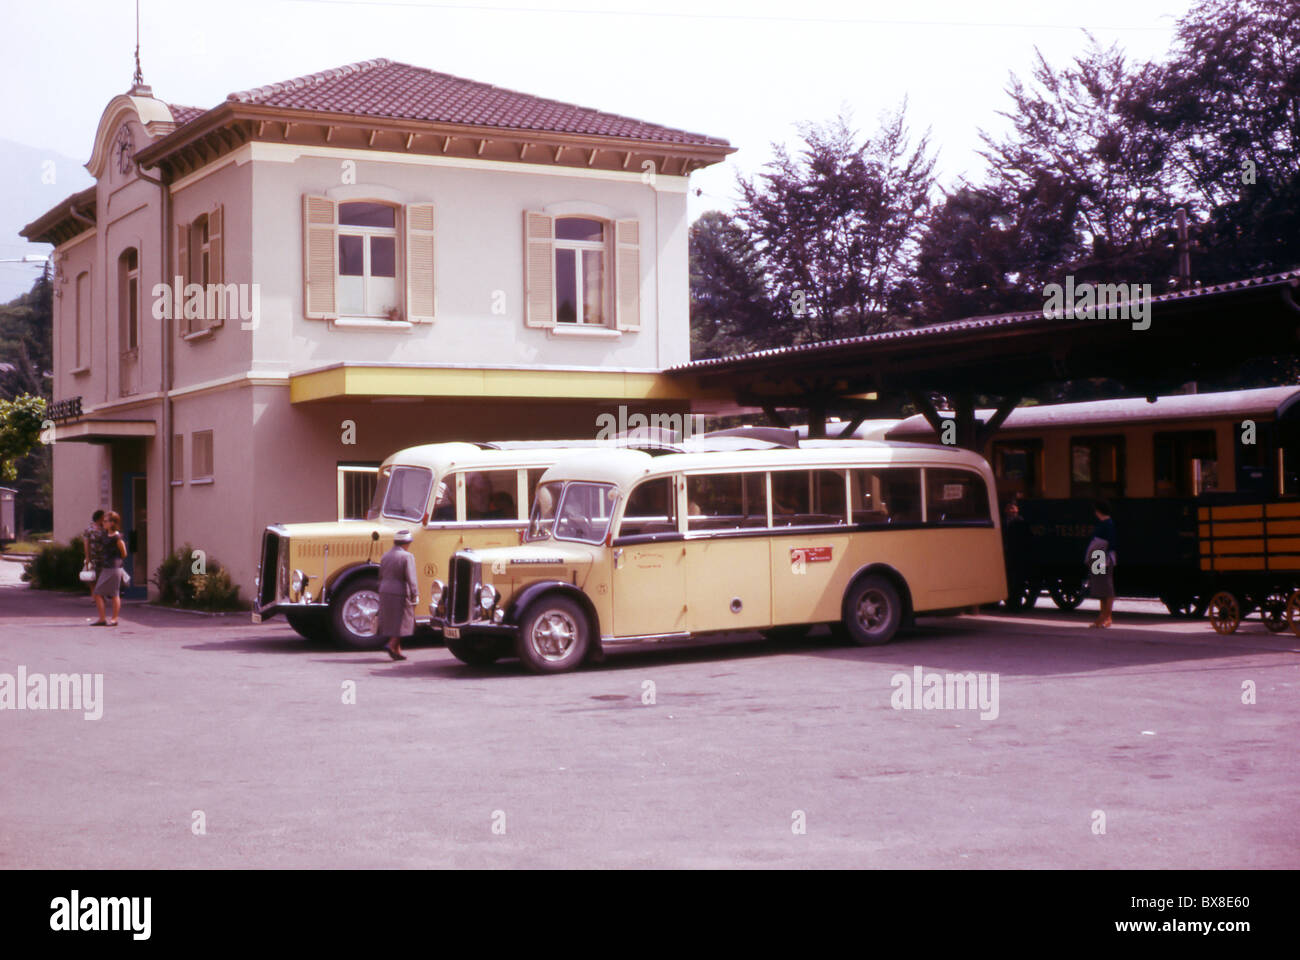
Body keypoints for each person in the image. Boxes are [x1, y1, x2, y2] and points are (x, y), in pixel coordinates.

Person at [378, 529, 418, 661]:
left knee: (392, 620)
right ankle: (391, 645)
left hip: (384, 590)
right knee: (402, 621)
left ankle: (397, 650)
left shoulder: (385, 556)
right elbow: (411, 578)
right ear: (406, 543)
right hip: (400, 591)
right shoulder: (407, 556)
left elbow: (381, 575)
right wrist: (415, 594)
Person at [92, 511, 128, 626]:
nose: (104, 523)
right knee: (98, 592)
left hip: (114, 567)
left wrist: (116, 561)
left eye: (106, 521)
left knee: (114, 594)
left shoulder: (117, 537)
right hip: (106, 567)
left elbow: (124, 553)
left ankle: (114, 618)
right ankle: (102, 618)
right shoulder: (104, 535)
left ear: (113, 523)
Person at [1086, 499, 1117, 628]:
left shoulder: (1106, 524)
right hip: (1100, 555)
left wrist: (1092, 557)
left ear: (1098, 511)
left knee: (1105, 587)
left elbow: (1104, 543)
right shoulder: (1107, 523)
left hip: (1101, 556)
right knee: (1101, 587)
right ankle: (1105, 617)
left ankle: (1103, 617)